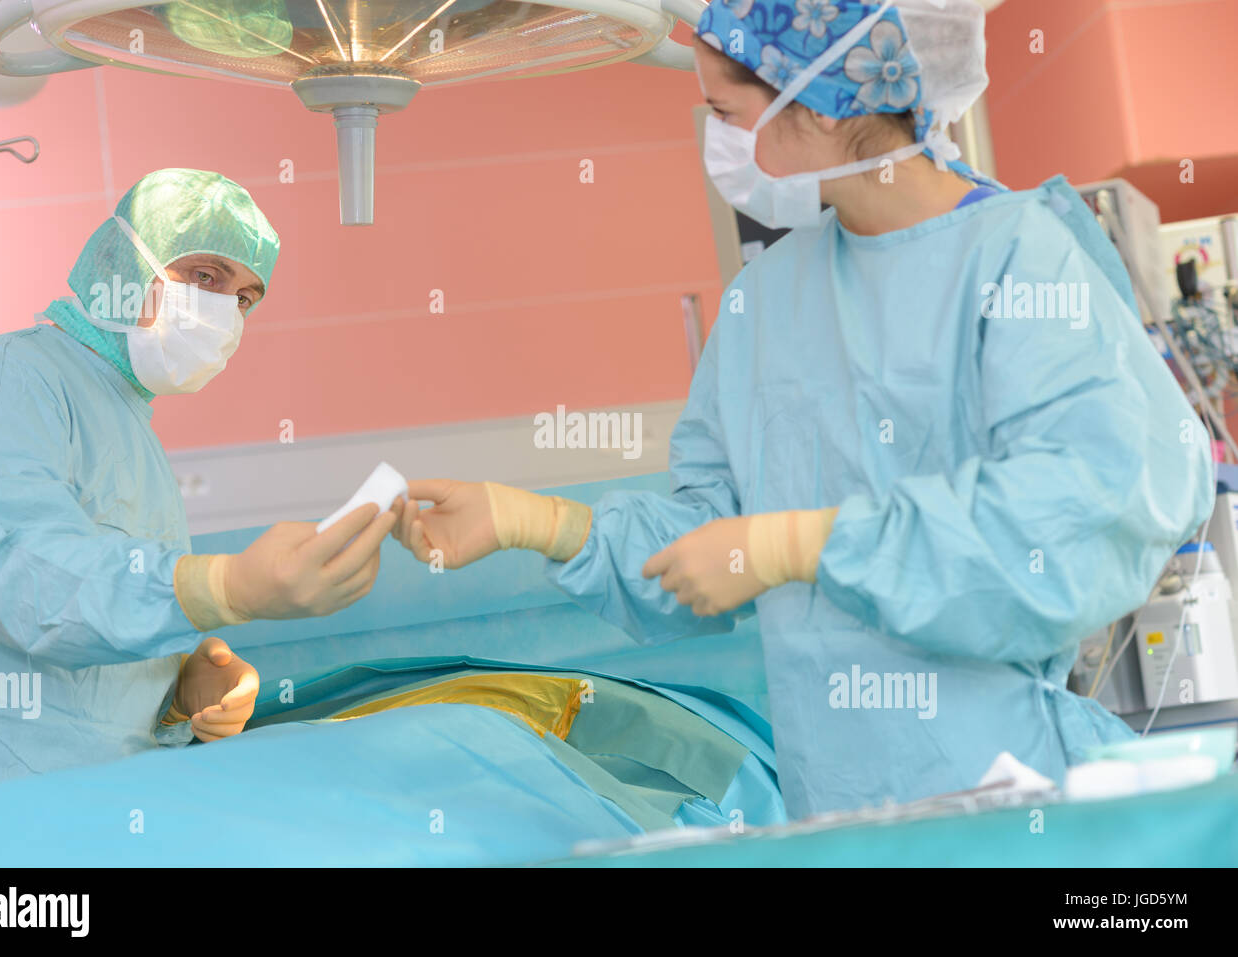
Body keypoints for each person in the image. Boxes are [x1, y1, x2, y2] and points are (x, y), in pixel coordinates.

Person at [391, 0, 1215, 818]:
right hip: (839, 809)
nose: (715, 142)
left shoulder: (1017, 259)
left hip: (1012, 802)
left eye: (724, 112)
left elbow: (1077, 513)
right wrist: (530, 521)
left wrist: (802, 543)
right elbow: (713, 544)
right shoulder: (767, 303)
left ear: (820, 102)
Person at [0, 169, 398, 790]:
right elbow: (23, 578)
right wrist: (222, 586)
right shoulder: (6, 377)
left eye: (243, 298)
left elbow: (95, 673)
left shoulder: (130, 426)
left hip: (105, 795)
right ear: (124, 265)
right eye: (205, 276)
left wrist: (181, 694)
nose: (224, 310)